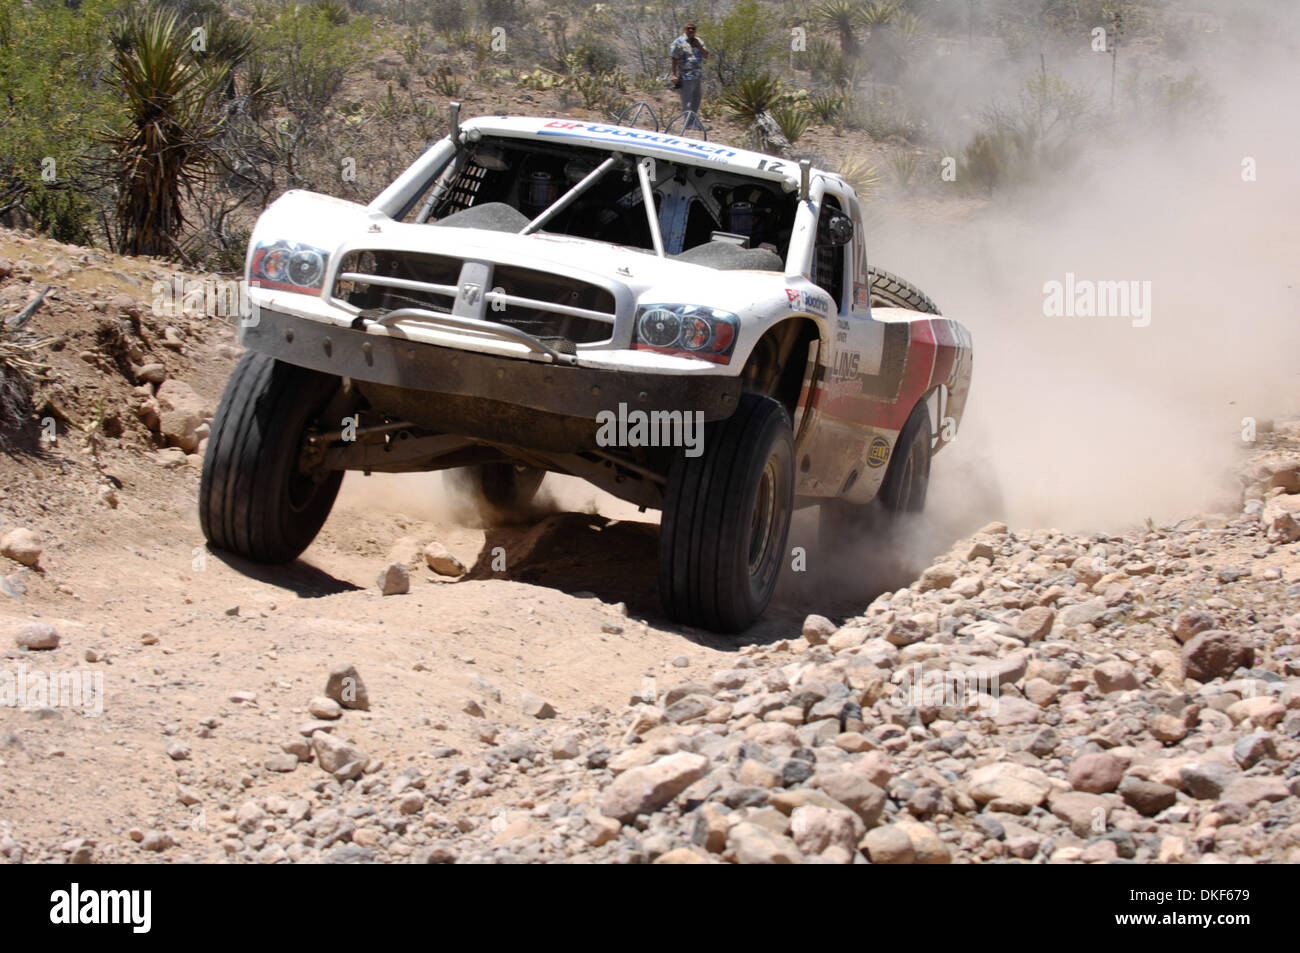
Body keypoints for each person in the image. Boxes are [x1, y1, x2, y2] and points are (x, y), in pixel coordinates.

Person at [669, 22, 708, 130]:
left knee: (696, 99)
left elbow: (706, 55)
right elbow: (674, 58)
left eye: (693, 28)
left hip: (697, 75)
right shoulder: (679, 42)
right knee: (687, 101)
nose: (691, 30)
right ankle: (688, 123)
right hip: (686, 76)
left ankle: (693, 121)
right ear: (685, 29)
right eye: (689, 28)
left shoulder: (699, 41)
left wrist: (698, 45)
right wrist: (674, 74)